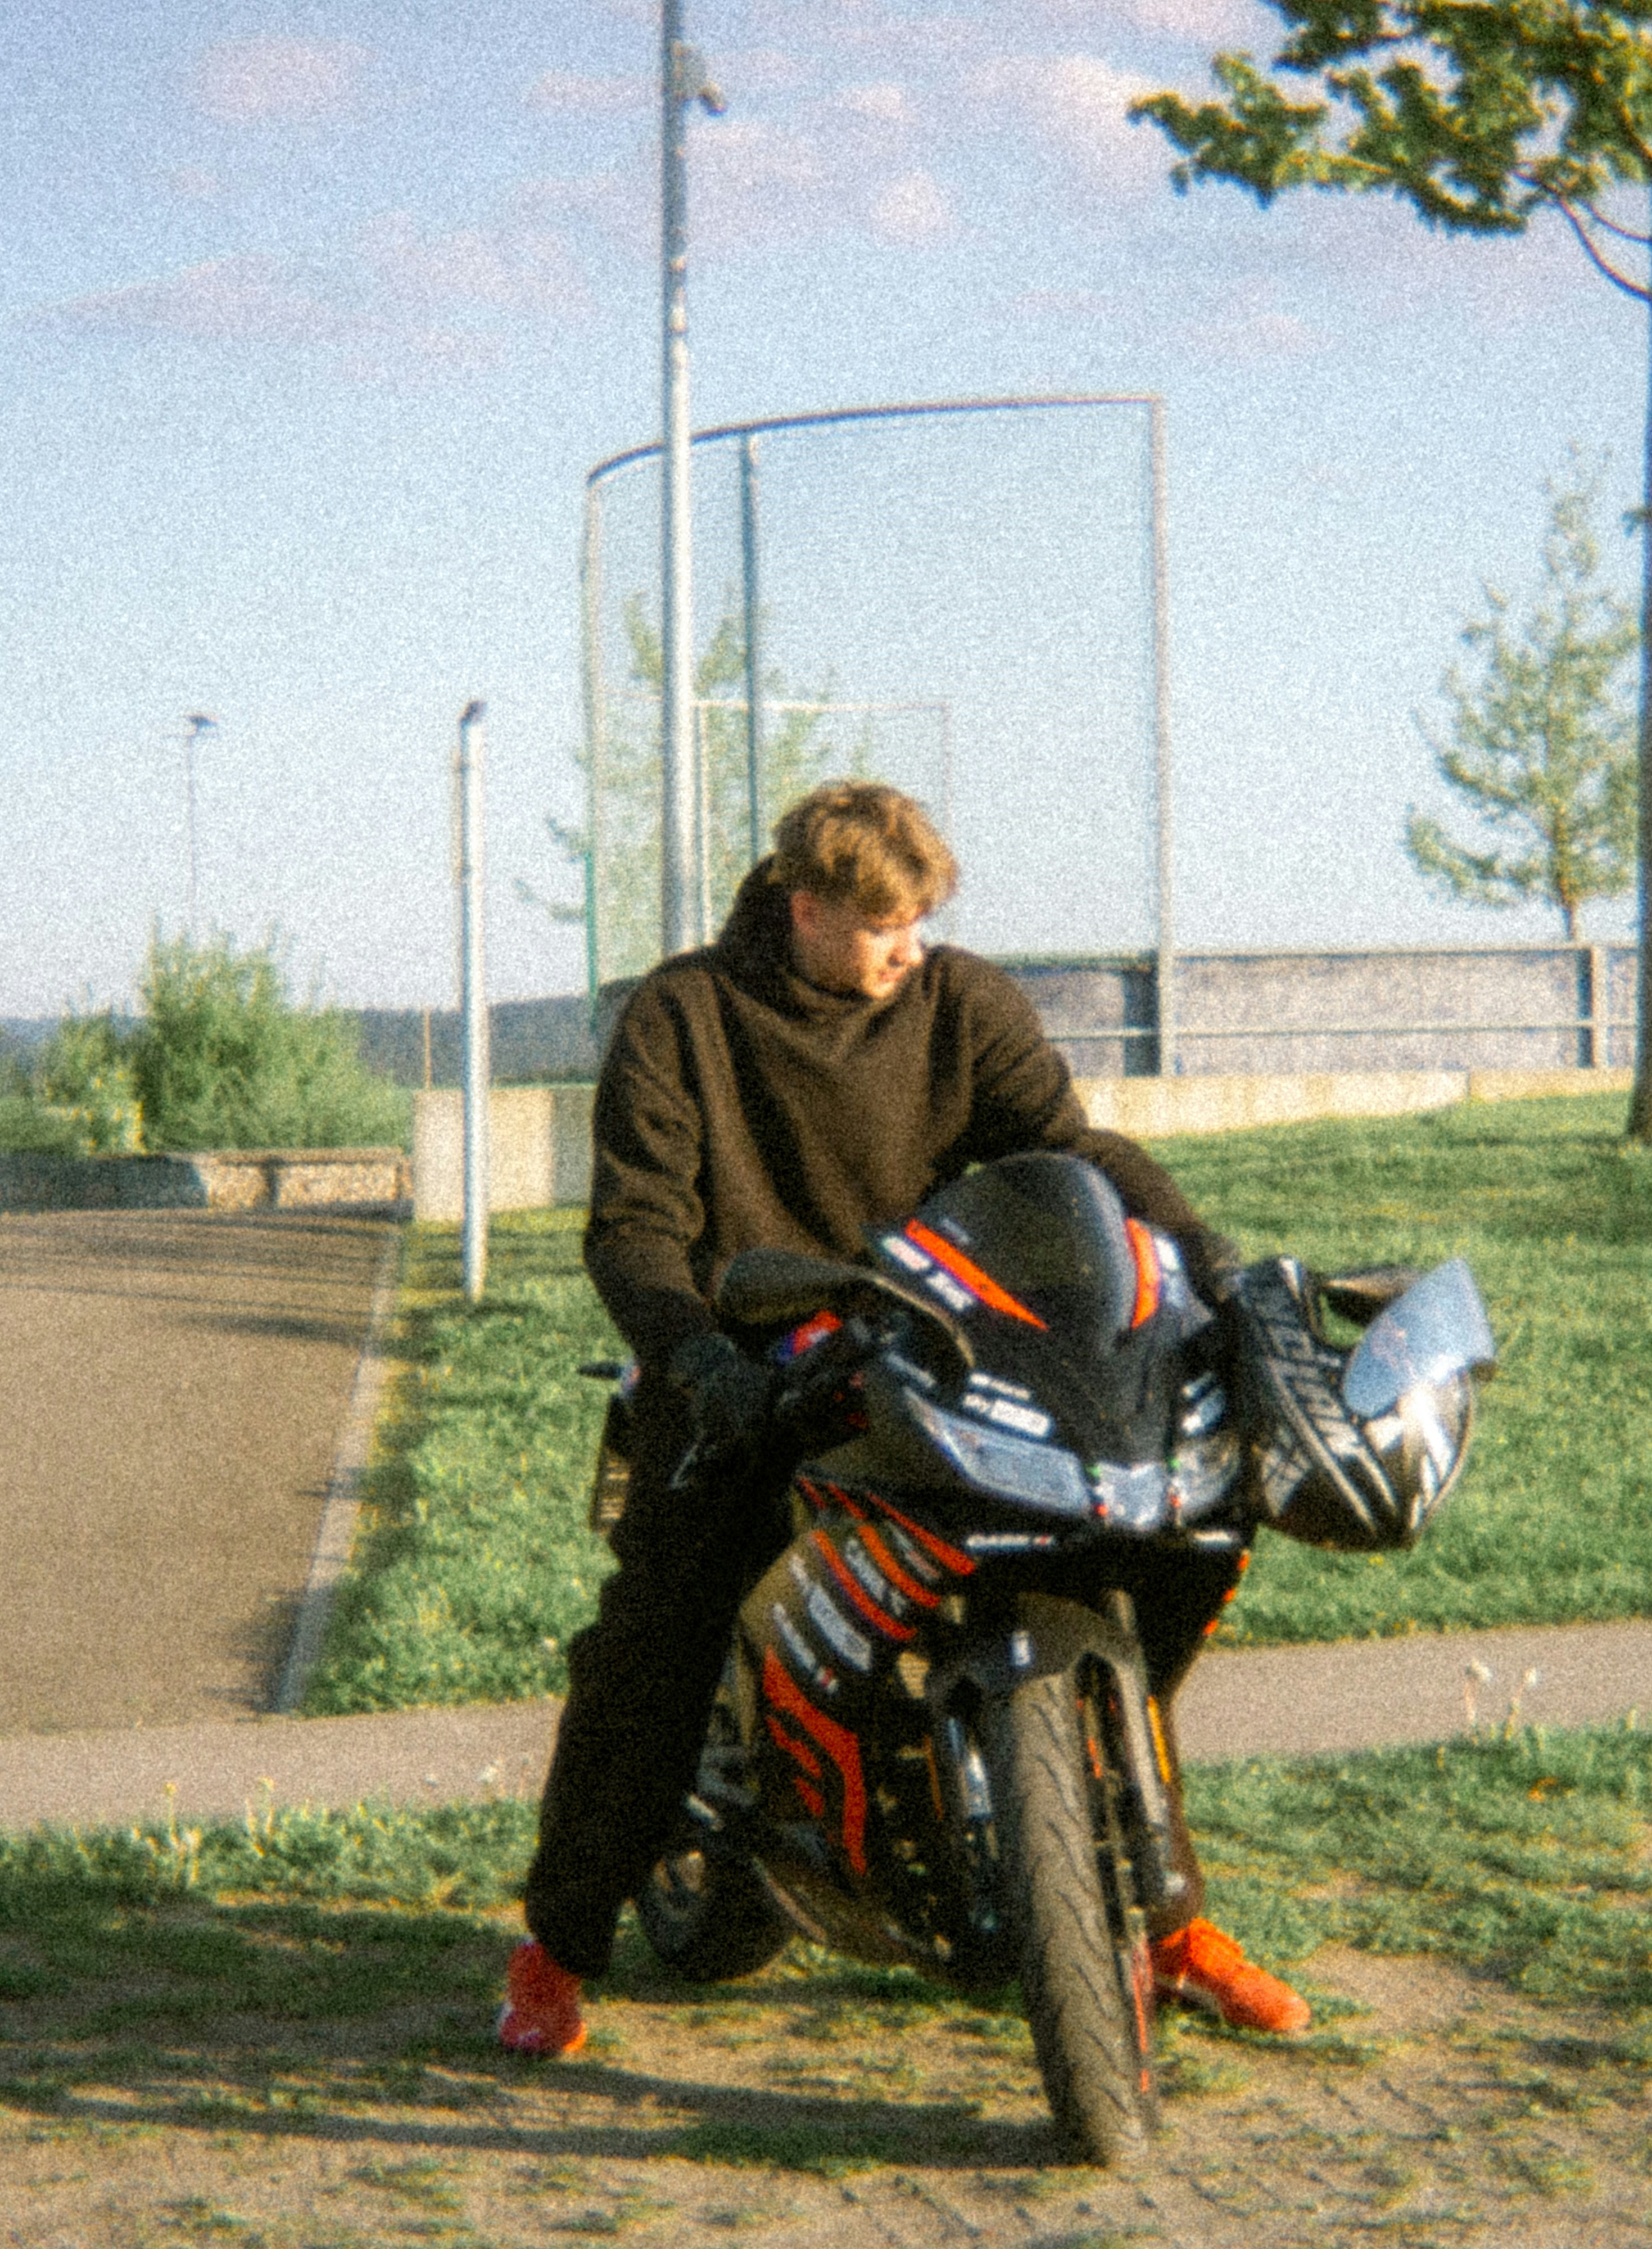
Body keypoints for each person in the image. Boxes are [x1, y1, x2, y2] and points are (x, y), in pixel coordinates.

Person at [499, 780, 1310, 2059]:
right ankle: (556, 1945)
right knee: (657, 1640)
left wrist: (1215, 1264)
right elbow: (638, 1228)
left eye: (925, 917)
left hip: (933, 1350)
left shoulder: (959, 1000)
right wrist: (701, 1359)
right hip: (747, 1372)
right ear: (804, 905)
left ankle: (1165, 1925)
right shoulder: (686, 1014)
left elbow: (1066, 1148)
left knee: (1112, 1572)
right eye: (886, 922)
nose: (911, 946)